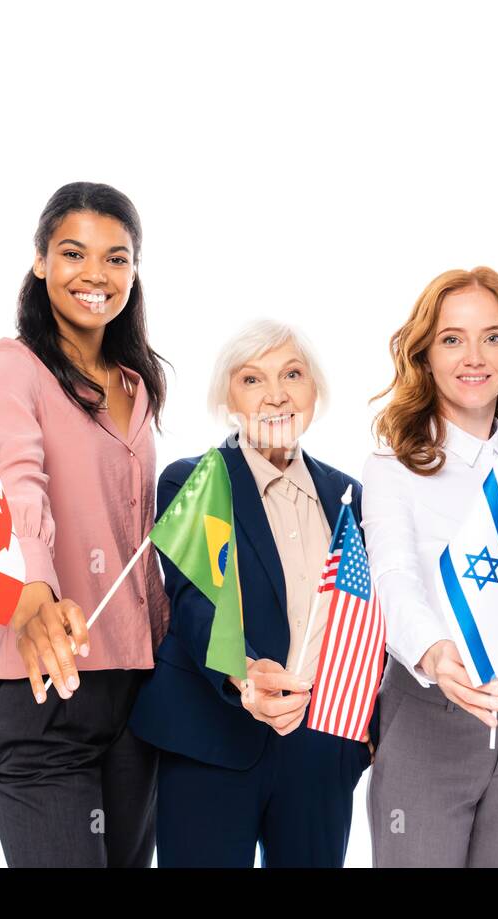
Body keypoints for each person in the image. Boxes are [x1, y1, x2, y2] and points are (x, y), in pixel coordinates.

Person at [129, 321, 372, 867]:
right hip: (211, 740)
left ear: (315, 391)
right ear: (228, 399)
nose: (276, 393)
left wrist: (362, 738)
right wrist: (244, 674)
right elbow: (194, 603)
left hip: (320, 750)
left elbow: (368, 619)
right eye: (252, 379)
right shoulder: (195, 481)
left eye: (292, 374)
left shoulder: (349, 496)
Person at [0, 182, 169, 867]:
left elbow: (140, 533)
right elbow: (15, 480)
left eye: (117, 258)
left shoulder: (136, 383)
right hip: (43, 684)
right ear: (40, 261)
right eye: (73, 252)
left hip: (136, 687)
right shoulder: (14, 364)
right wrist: (33, 590)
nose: (96, 274)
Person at [362, 267, 498, 867]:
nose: (474, 356)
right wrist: (435, 654)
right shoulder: (393, 466)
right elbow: (394, 577)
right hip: (433, 710)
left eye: (493, 336)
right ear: (425, 355)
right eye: (452, 338)